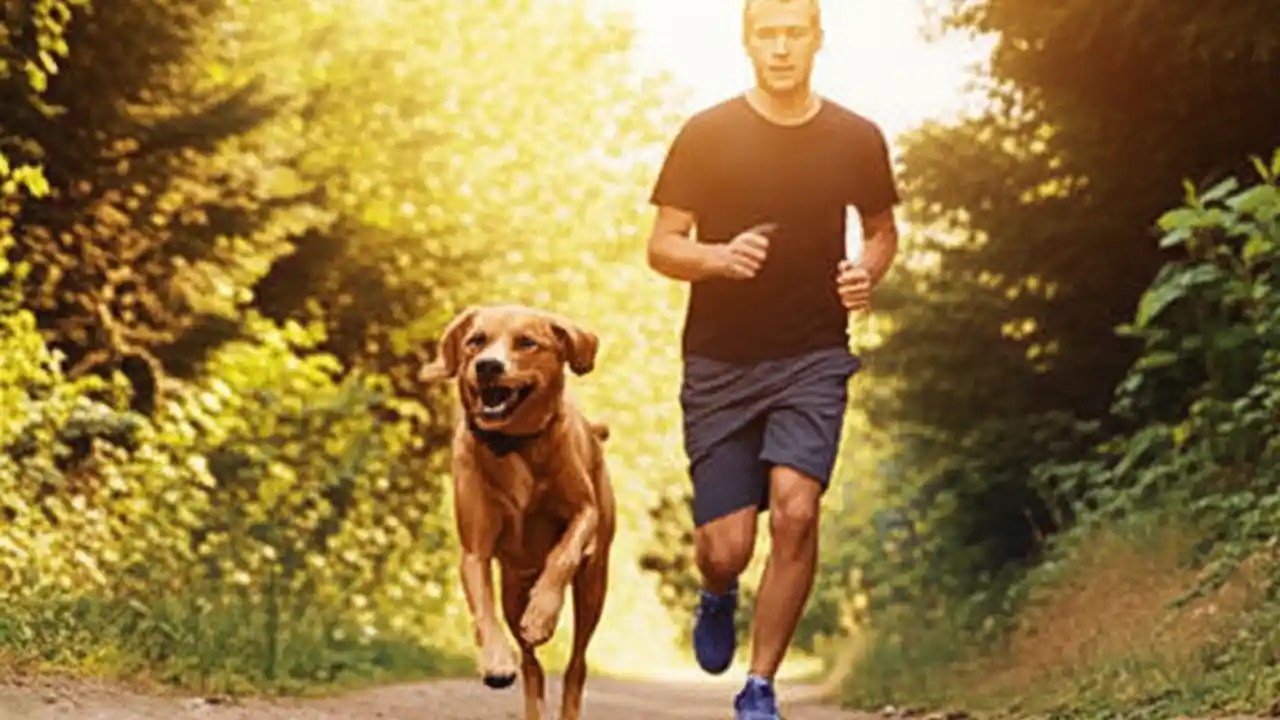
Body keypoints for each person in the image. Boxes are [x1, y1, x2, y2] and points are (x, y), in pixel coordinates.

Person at [643, 0, 902, 717]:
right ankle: (718, 592)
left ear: (818, 41)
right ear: (747, 43)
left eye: (795, 34)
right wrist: (717, 257)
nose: (782, 47)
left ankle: (759, 687)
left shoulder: (856, 137)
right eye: (768, 34)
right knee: (725, 546)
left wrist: (866, 271)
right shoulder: (707, 134)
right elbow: (662, 244)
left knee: (796, 511)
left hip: (813, 353)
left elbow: (881, 231)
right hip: (720, 361)